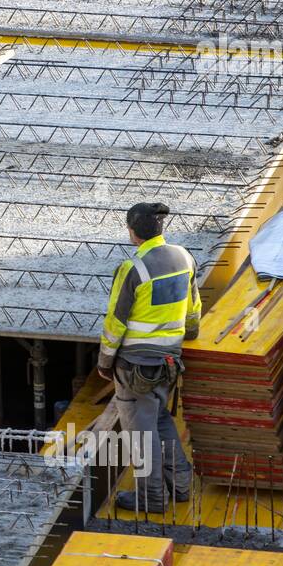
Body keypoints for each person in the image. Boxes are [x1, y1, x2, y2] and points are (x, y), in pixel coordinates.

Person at [97, 201, 202, 513]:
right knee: (159, 421)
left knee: (142, 435)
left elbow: (115, 324)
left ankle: (152, 498)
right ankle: (181, 487)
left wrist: (104, 363)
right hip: (169, 363)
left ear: (132, 233)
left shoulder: (133, 269)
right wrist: (189, 336)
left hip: (135, 369)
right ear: (160, 229)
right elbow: (193, 310)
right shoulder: (184, 258)